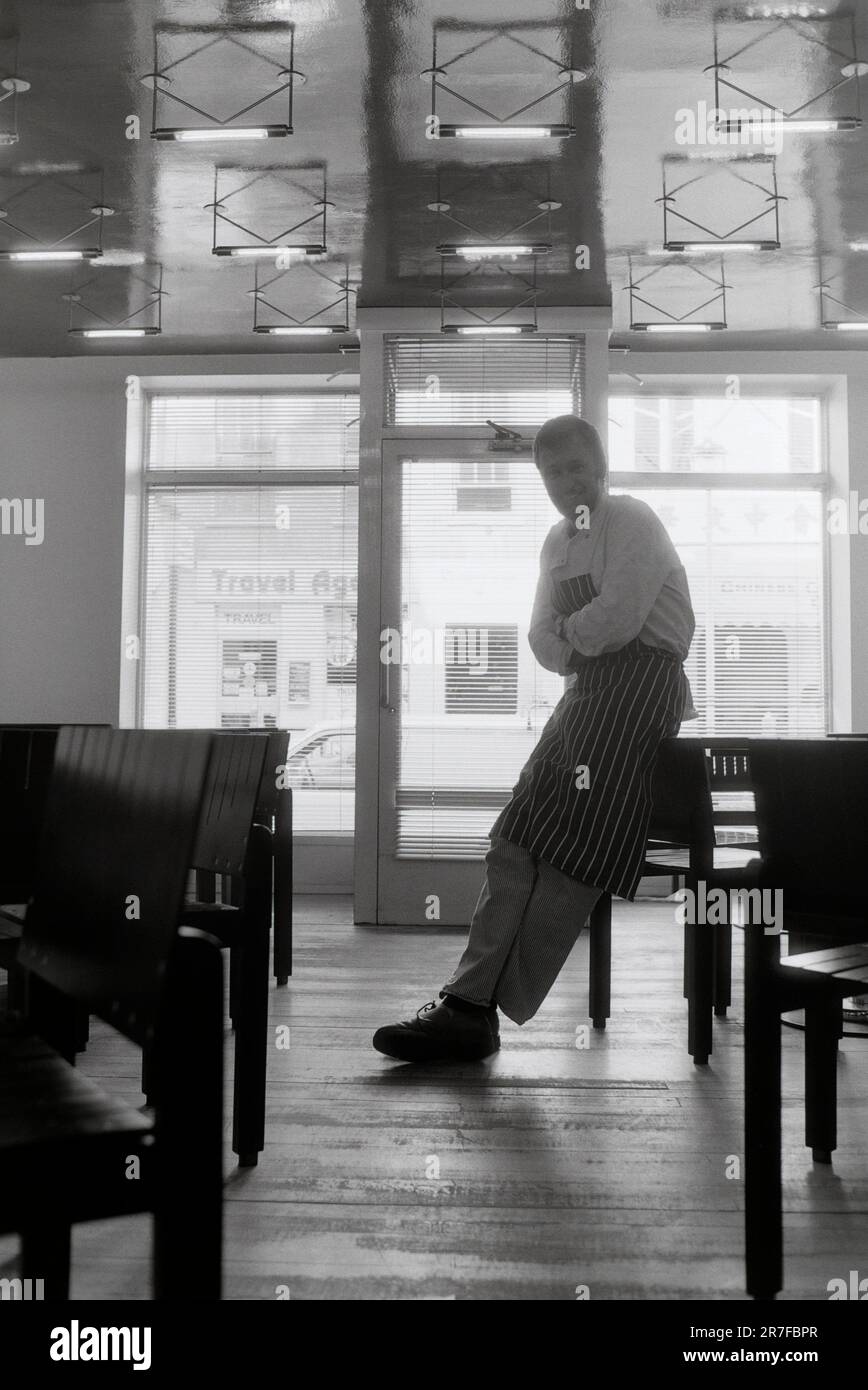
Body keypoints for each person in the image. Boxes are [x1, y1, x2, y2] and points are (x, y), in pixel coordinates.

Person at [373, 415, 696, 1062]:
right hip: (585, 694)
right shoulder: (554, 543)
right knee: (515, 837)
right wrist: (576, 643)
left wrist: (571, 639)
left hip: (639, 694)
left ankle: (475, 1011)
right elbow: (539, 637)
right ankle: (467, 1003)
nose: (565, 481)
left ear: (600, 467)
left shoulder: (633, 521)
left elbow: (621, 616)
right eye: (552, 471)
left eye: (576, 466)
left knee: (573, 849)